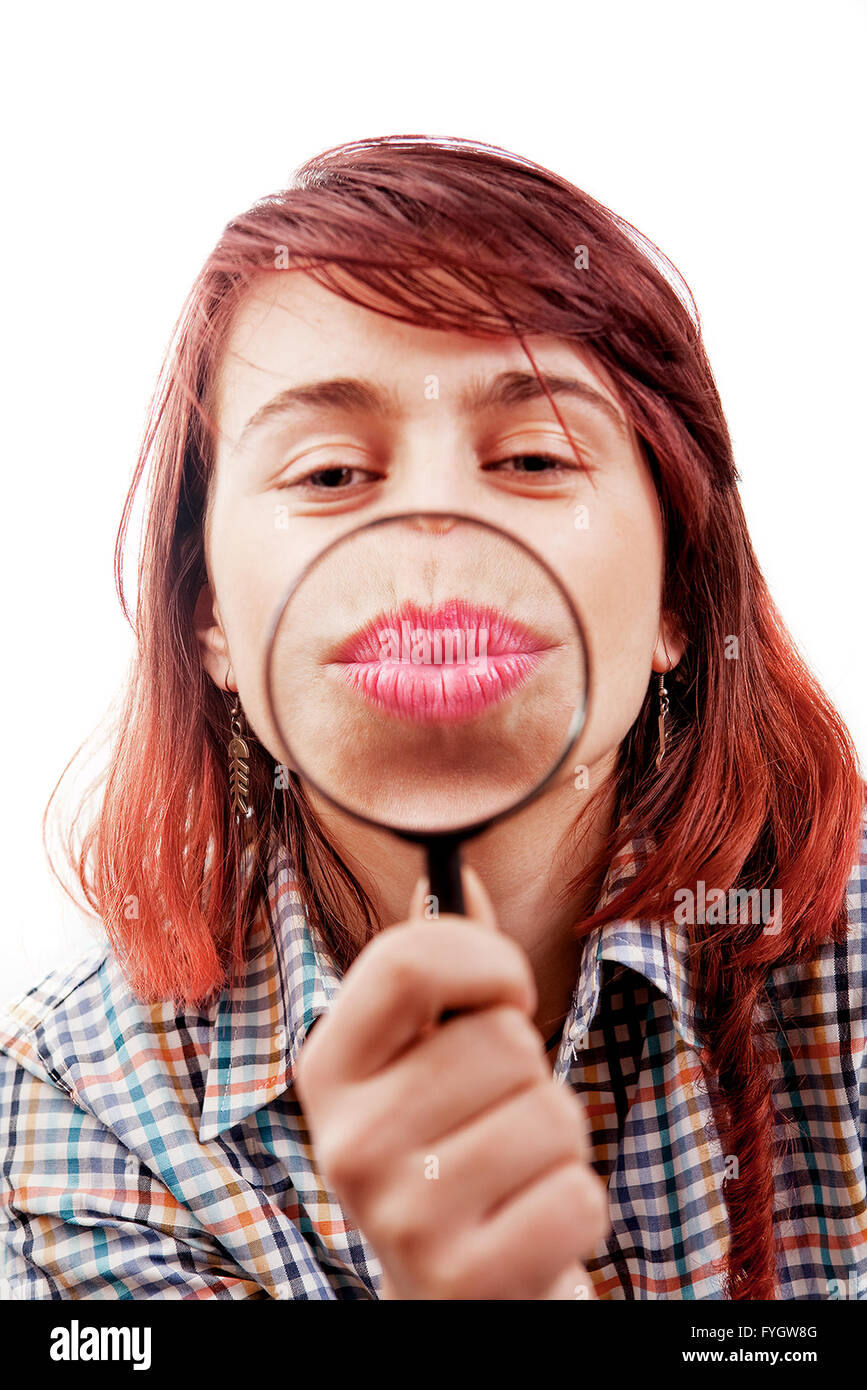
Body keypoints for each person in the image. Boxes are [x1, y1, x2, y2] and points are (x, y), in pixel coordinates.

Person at [1, 135, 864, 1301]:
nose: (435, 527)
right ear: (209, 619)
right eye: (330, 474)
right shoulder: (77, 1104)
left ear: (674, 595)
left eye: (532, 456)